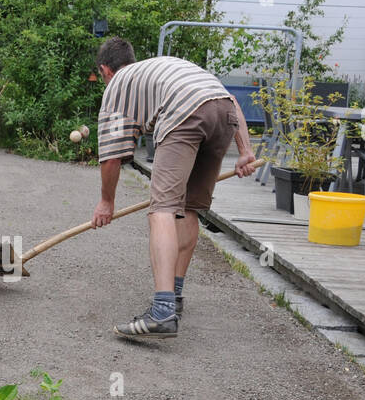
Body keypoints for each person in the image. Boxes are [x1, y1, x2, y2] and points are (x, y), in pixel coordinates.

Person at [92, 36, 259, 339]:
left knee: (163, 210)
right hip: (222, 113)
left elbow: (112, 158)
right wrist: (245, 150)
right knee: (188, 208)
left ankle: (162, 311)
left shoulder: (117, 86)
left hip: (186, 115)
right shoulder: (161, 68)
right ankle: (175, 296)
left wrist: (106, 202)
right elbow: (230, 100)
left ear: (105, 70)